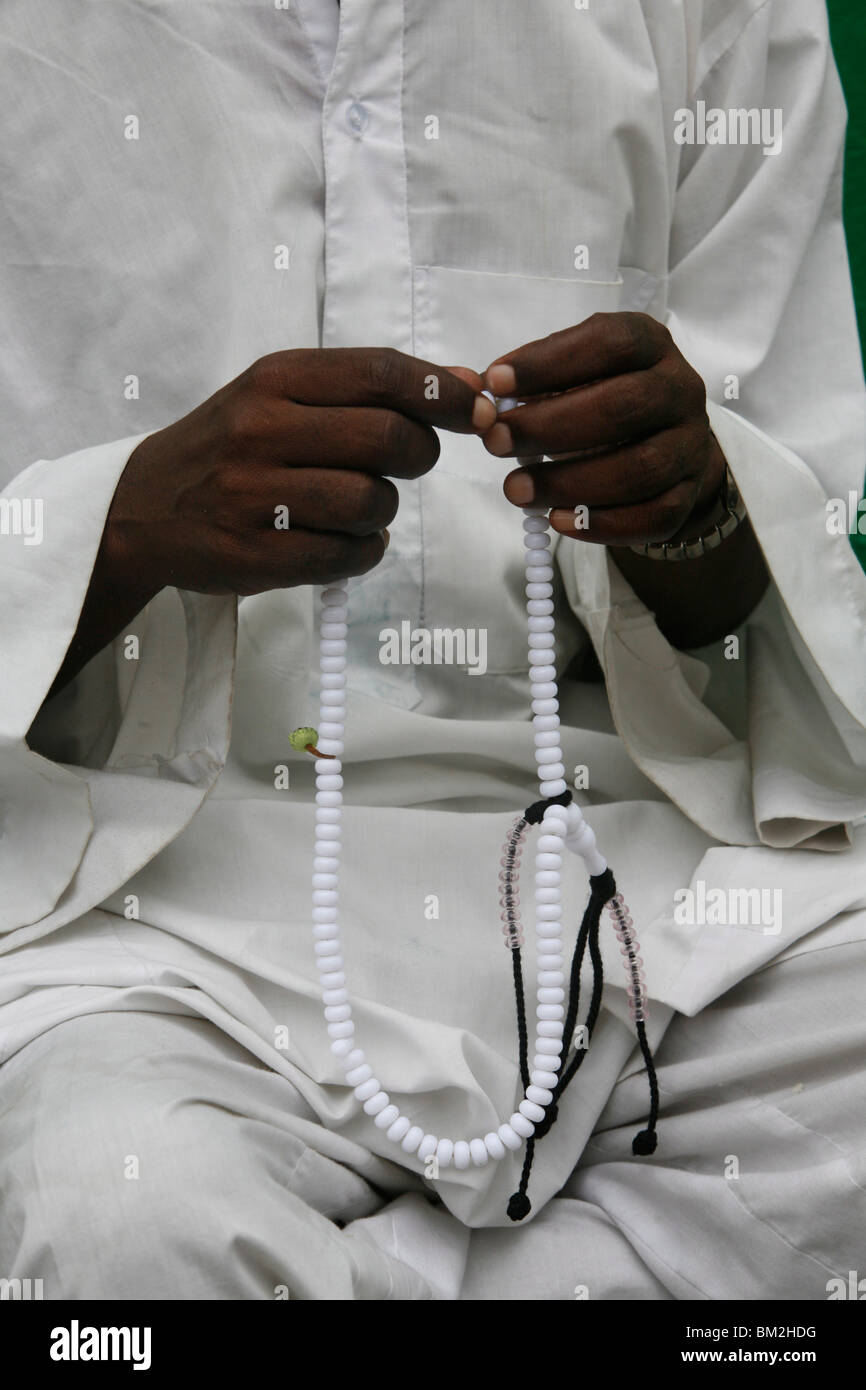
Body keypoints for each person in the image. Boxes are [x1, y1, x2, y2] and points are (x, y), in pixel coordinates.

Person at [1, 0, 865, 1300]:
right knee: (124, 1210)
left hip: (639, 893)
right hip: (130, 906)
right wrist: (118, 527)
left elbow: (790, 568)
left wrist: (695, 515)